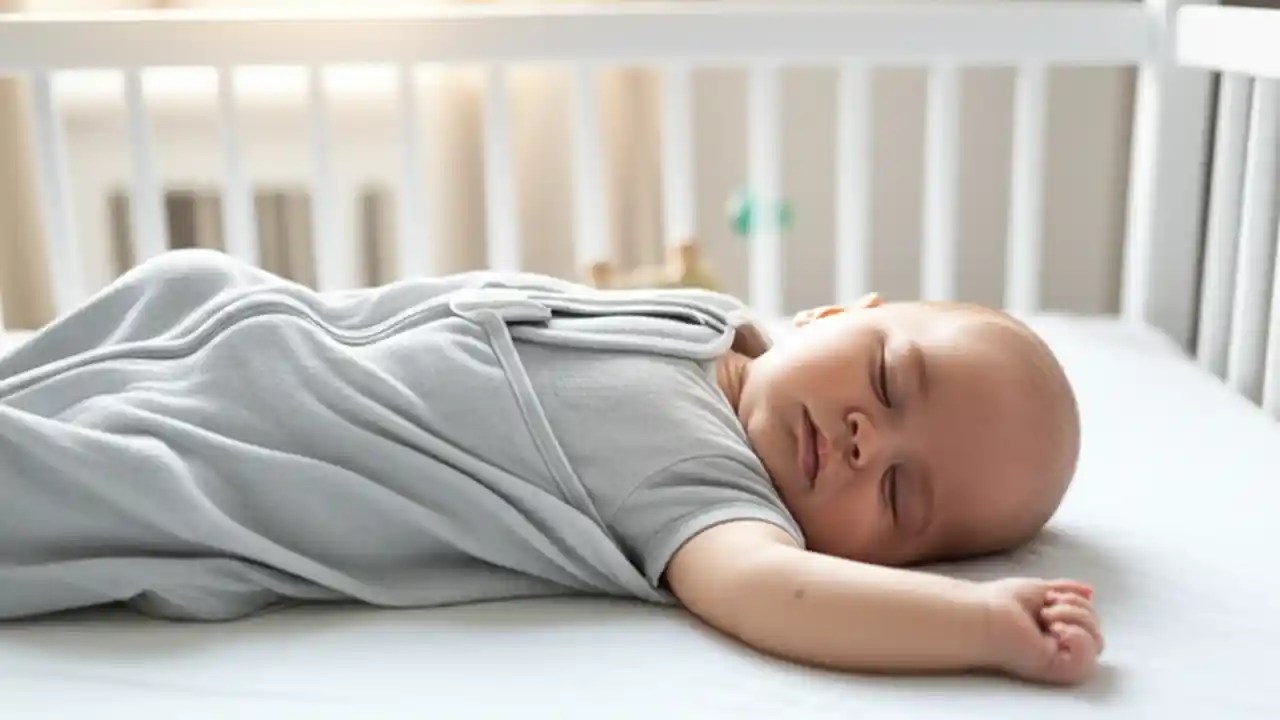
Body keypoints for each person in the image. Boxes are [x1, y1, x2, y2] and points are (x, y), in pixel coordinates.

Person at [0, 249, 1099, 685]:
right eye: (891, 381)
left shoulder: (713, 506)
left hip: (280, 454)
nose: (867, 440)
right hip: (266, 331)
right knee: (181, 280)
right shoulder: (712, 323)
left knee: (75, 477)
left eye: (900, 497)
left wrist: (981, 627)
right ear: (836, 311)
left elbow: (784, 598)